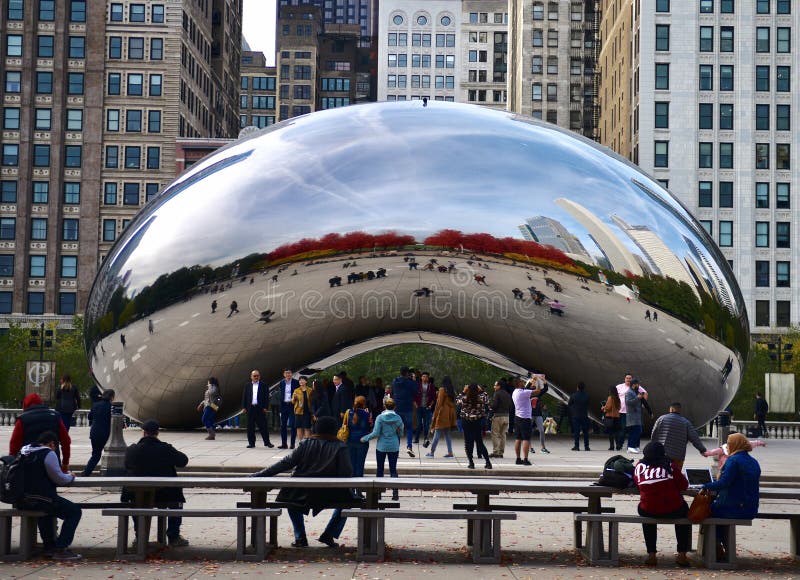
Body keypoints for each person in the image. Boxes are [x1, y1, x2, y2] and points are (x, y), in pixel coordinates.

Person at [252, 416, 357, 548]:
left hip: (301, 493)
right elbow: (346, 472)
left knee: (289, 499)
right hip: (331, 493)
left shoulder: (305, 443)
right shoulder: (341, 447)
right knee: (348, 501)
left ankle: (300, 537)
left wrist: (261, 474)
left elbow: (286, 463)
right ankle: (329, 534)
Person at [17, 431, 82, 560]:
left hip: (23, 498)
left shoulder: (24, 451)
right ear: (52, 444)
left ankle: (49, 547)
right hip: (42, 498)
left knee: (48, 511)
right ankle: (61, 549)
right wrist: (70, 476)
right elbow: (59, 479)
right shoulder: (48, 453)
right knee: (74, 511)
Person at [123, 419, 189, 547]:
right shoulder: (165, 449)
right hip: (165, 494)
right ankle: (174, 536)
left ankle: (139, 535)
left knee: (135, 503)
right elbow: (183, 461)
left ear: (143, 433)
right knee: (177, 502)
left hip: (138, 494)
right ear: (157, 433)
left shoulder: (132, 450)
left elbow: (126, 466)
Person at [701, 433, 761, 559]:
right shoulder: (754, 462)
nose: (727, 446)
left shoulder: (733, 460)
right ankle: (722, 545)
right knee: (717, 510)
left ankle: (716, 546)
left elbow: (724, 482)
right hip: (751, 508)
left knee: (709, 510)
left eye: (729, 444)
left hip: (735, 508)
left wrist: (705, 486)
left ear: (734, 445)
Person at [633, 441, 691, 567]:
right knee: (685, 513)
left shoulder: (639, 467)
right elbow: (683, 485)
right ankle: (682, 554)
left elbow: (637, 484)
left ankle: (652, 555)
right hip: (673, 509)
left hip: (648, 509)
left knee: (645, 512)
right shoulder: (670, 465)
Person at [10, 393, 71, 474]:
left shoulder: (23, 420)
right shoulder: (55, 417)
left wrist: (12, 465)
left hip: (29, 466)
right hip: (52, 464)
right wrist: (65, 463)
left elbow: (14, 445)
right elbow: (66, 441)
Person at [361, 398, 404, 501]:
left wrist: (365, 438)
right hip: (394, 446)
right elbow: (401, 433)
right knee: (393, 469)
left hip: (381, 446)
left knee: (380, 469)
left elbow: (376, 433)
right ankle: (395, 494)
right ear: (394, 407)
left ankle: (378, 493)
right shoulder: (398, 418)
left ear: (385, 406)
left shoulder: (380, 418)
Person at [649, 402, 706, 469]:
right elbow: (694, 438)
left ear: (671, 409)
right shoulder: (686, 422)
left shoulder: (661, 419)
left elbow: (653, 434)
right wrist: (702, 450)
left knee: (661, 473)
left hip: (661, 454)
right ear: (679, 410)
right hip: (678, 456)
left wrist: (653, 450)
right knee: (676, 474)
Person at [456, 384, 492, 470]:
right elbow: (487, 399)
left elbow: (457, 401)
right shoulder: (481, 398)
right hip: (477, 421)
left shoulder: (465, 398)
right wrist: (481, 390)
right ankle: (488, 462)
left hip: (466, 421)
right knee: (479, 442)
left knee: (468, 442)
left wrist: (463, 391)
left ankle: (471, 462)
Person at [82, 389, 114, 476]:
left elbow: (89, 417)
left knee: (95, 455)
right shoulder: (111, 407)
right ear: (112, 397)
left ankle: (86, 472)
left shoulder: (95, 405)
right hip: (106, 434)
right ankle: (110, 473)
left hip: (95, 433)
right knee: (111, 454)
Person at [241, 369, 274, 448]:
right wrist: (244, 407)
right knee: (250, 427)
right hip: (250, 408)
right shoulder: (247, 385)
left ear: (259, 376)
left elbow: (266, 397)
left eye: (257, 376)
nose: (256, 377)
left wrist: (265, 407)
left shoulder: (264, 385)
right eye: (254, 376)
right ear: (251, 377)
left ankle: (267, 442)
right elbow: (244, 397)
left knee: (263, 426)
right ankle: (251, 443)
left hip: (260, 409)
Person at [616, 373, 648, 450]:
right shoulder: (619, 386)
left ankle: (631, 446)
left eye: (630, 378)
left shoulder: (636, 387)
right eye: (627, 378)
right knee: (623, 429)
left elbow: (645, 393)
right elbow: (614, 395)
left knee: (632, 430)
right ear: (624, 379)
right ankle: (619, 445)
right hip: (622, 412)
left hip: (631, 412)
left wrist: (643, 404)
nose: (628, 379)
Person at [390, 366, 418, 457]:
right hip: (408, 407)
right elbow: (416, 392)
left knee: (397, 429)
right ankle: (409, 447)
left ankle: (396, 450)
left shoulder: (395, 381)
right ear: (407, 373)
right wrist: (414, 380)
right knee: (409, 428)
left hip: (397, 408)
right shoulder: (410, 382)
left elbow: (392, 393)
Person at [427, 376, 456, 458]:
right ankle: (450, 452)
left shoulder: (442, 389)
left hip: (443, 413)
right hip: (450, 414)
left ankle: (432, 452)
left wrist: (435, 414)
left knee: (437, 432)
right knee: (447, 434)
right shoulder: (452, 391)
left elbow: (439, 403)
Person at [512, 378, 537, 465]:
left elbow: (526, 389)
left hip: (517, 417)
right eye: (522, 382)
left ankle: (518, 459)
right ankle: (526, 459)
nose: (523, 383)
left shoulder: (515, 392)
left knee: (518, 438)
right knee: (526, 439)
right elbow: (537, 391)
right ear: (519, 383)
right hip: (525, 418)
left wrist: (530, 382)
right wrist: (540, 383)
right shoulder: (523, 393)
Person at [346, 396, 372, 477]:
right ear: (364, 404)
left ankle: (352, 481)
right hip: (362, 440)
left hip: (350, 439)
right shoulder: (367, 414)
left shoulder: (349, 412)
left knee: (351, 462)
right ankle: (359, 481)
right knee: (360, 464)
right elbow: (369, 428)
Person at [489, 380, 513, 458]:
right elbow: (511, 406)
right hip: (506, 416)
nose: (494, 387)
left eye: (495, 385)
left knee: (495, 434)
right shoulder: (508, 394)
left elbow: (494, 405)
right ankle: (501, 452)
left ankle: (496, 452)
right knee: (503, 435)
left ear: (499, 386)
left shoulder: (497, 393)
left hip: (498, 416)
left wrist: (490, 406)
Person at [278, 369, 299, 449]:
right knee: (283, 425)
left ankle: (292, 444)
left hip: (292, 405)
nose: (288, 375)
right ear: (284, 374)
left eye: (289, 373)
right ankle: (284, 444)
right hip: (284, 406)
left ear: (292, 374)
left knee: (293, 425)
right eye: (286, 373)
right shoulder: (282, 382)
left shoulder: (296, 382)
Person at [529, 375, 550, 454]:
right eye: (533, 383)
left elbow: (545, 389)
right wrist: (531, 381)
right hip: (530, 414)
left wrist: (544, 380)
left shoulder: (537, 392)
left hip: (538, 414)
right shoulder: (528, 392)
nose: (534, 383)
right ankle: (530, 447)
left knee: (541, 430)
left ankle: (543, 447)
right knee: (529, 431)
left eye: (535, 382)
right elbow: (524, 389)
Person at [414, 372, 436, 446]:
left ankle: (426, 439)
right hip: (419, 407)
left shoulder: (431, 386)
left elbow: (433, 397)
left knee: (426, 424)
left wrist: (430, 405)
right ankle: (416, 439)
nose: (424, 378)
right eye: (423, 376)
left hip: (427, 407)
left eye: (426, 376)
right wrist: (416, 405)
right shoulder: (418, 385)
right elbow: (414, 396)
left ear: (428, 378)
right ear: (421, 377)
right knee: (419, 424)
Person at [568, 382, 591, 451]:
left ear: (577, 387)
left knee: (576, 432)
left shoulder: (573, 395)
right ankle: (586, 446)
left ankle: (577, 446)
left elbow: (569, 404)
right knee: (585, 432)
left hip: (576, 415)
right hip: (584, 415)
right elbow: (588, 404)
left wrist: (573, 410)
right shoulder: (587, 395)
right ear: (584, 388)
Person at [625, 378, 645, 453]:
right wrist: (637, 398)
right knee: (636, 431)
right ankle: (631, 446)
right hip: (632, 416)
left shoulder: (633, 391)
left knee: (635, 431)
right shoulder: (629, 392)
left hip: (636, 416)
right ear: (634, 385)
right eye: (637, 384)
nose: (638, 385)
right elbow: (628, 402)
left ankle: (632, 447)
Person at [292, 376, 314, 441]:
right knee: (299, 428)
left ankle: (307, 443)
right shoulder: (296, 390)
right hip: (298, 412)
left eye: (302, 380)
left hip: (307, 411)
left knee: (307, 428)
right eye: (300, 380)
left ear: (306, 381)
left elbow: (313, 401)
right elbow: (292, 401)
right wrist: (294, 397)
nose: (301, 381)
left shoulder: (310, 390)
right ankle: (301, 443)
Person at [601, 386, 621, 451]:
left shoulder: (610, 398)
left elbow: (608, 407)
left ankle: (612, 446)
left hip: (610, 417)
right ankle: (618, 446)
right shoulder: (618, 398)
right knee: (616, 432)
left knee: (611, 432)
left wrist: (604, 408)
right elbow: (619, 407)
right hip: (617, 417)